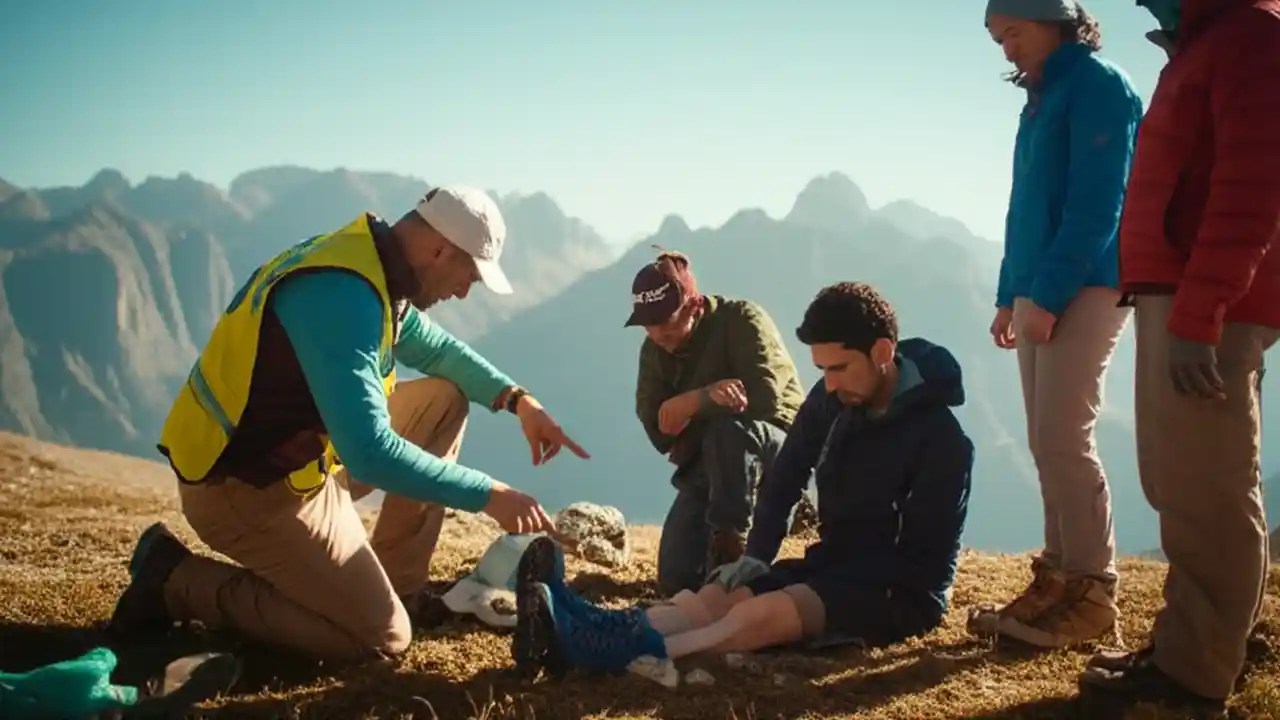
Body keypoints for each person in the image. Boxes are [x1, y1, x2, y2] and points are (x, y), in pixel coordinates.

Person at [107, 186, 588, 662]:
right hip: (247, 494)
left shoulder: (372, 268)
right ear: (440, 249)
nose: (464, 291)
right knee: (380, 639)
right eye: (470, 274)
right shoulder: (341, 297)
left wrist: (519, 401)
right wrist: (491, 495)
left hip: (301, 464)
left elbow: (437, 351)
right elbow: (369, 453)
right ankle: (174, 580)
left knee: (443, 401)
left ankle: (398, 588)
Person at [513, 282, 974, 676]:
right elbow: (788, 474)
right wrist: (756, 559)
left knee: (763, 609)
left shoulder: (943, 442)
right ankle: (588, 623)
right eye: (822, 370)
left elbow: (919, 564)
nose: (830, 384)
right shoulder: (834, 400)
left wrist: (802, 588)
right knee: (720, 594)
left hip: (900, 593)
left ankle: (613, 655)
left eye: (839, 368)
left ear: (882, 352)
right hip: (835, 563)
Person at [1077, 0, 1280, 713]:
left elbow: (1255, 182)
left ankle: (1194, 678)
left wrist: (1202, 310)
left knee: (1206, 487)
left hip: (1207, 299)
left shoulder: (1250, 36)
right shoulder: (1208, 41)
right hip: (1179, 290)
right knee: (1178, 478)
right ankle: (1191, 647)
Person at [968, 0, 1145, 649]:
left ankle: (1092, 593)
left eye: (1012, 33)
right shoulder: (1041, 100)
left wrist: (1045, 293)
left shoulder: (1101, 86)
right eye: (997, 39)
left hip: (1088, 282)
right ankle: (1057, 579)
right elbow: (1026, 206)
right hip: (1038, 287)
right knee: (1046, 438)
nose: (1006, 49)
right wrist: (1009, 293)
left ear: (1053, 22)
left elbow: (1100, 203)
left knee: (1065, 435)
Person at [628, 250, 805, 595]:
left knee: (731, 432)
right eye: (648, 324)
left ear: (694, 306)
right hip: (708, 461)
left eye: (666, 322)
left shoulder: (742, 319)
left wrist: (689, 407)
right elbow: (657, 427)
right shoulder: (654, 350)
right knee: (676, 579)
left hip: (776, 447)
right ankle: (715, 558)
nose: (657, 333)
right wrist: (703, 397)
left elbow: (763, 400)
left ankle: (733, 545)